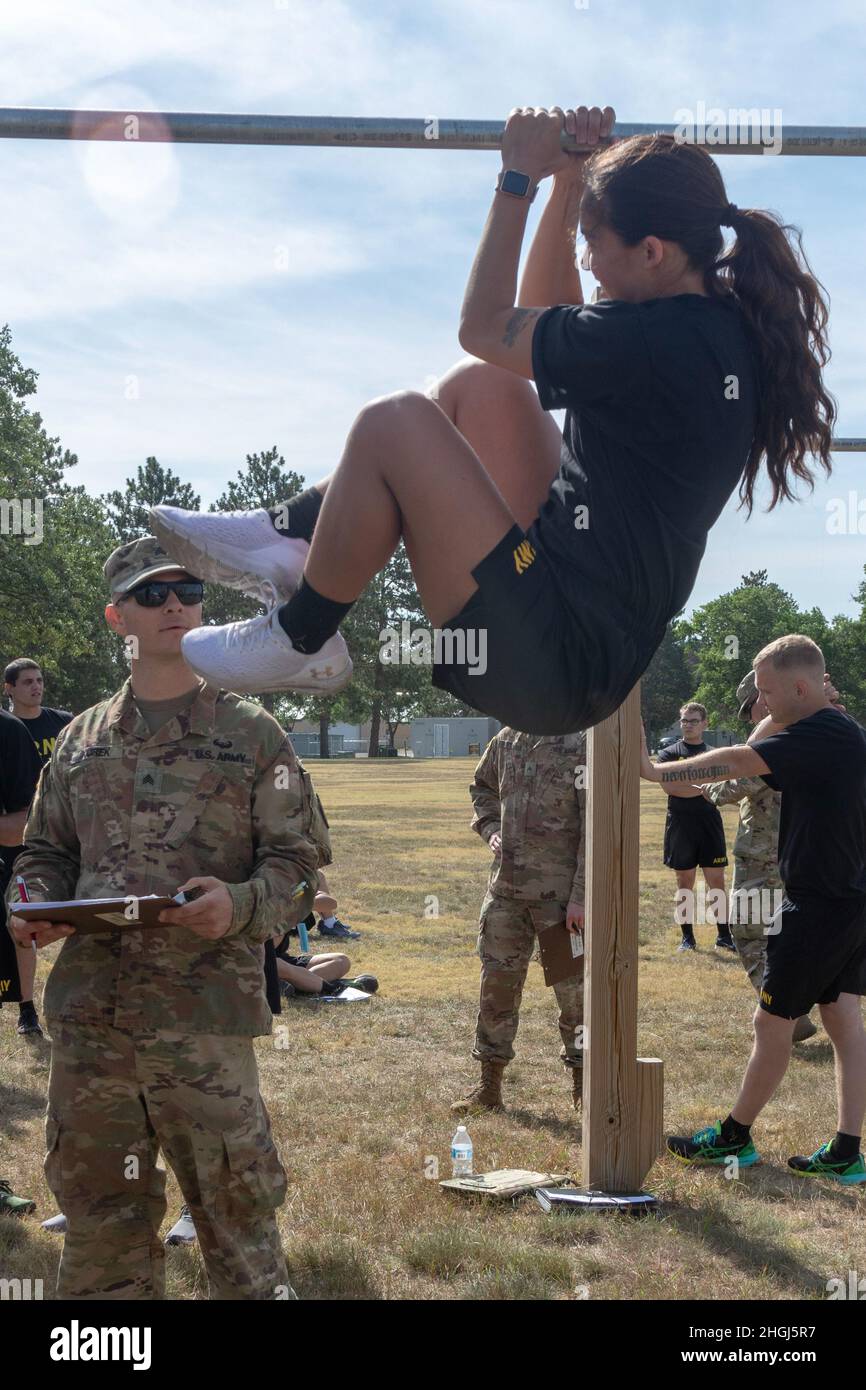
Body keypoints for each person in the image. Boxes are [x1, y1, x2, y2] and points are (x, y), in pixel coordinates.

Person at [146, 103, 834, 736]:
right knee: (484, 388)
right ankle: (293, 534)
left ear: (652, 252)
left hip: (551, 661)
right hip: (571, 621)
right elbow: (534, 324)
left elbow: (483, 324)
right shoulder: (699, 322)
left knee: (395, 422)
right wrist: (570, 184)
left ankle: (304, 635)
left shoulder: (653, 340)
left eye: (595, 242)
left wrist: (517, 179)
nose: (588, 260)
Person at [6, 536, 324, 1298]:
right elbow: (44, 850)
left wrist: (241, 904)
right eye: (152, 595)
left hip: (203, 1025)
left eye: (187, 590)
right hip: (93, 1028)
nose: (174, 604)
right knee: (100, 1221)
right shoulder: (79, 741)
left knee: (235, 1216)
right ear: (119, 616)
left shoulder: (252, 733)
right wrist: (30, 901)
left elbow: (300, 871)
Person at [641, 635, 866, 1185]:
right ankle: (847, 1151)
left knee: (771, 1021)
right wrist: (779, 705)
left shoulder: (815, 736)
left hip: (818, 903)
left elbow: (736, 760)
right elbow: (759, 742)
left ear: (799, 687)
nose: (760, 705)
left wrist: (655, 771)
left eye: (767, 692)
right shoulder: (837, 729)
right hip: (852, 900)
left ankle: (733, 1138)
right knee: (841, 1018)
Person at [451, 727, 586, 1114]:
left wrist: (580, 896)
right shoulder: (507, 739)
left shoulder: (579, 743)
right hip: (505, 894)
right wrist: (490, 828)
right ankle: (489, 1088)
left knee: (573, 996)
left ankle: (585, 1087)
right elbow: (481, 787)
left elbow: (594, 826)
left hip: (559, 904)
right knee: (497, 989)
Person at [702, 669, 831, 1043]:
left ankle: (786, 1012)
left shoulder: (778, 743)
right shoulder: (819, 731)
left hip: (767, 859)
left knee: (750, 933)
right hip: (805, 855)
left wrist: (708, 781)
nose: (751, 715)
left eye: (755, 703)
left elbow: (726, 788)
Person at [2, 658, 73, 1036]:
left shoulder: (63, 723)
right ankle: (26, 1008)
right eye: (27, 681)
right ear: (8, 688)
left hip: (63, 833)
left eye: (40, 680)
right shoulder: (9, 732)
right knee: (22, 921)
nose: (36, 687)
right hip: (22, 834)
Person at [652, 702, 735, 954]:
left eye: (694, 720)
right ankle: (687, 938)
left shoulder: (714, 754)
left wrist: (688, 782)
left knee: (716, 882)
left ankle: (724, 936)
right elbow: (671, 787)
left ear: (705, 723)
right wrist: (703, 785)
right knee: (684, 883)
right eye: (684, 720)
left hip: (709, 824)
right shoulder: (668, 754)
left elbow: (721, 786)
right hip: (680, 824)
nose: (688, 725)